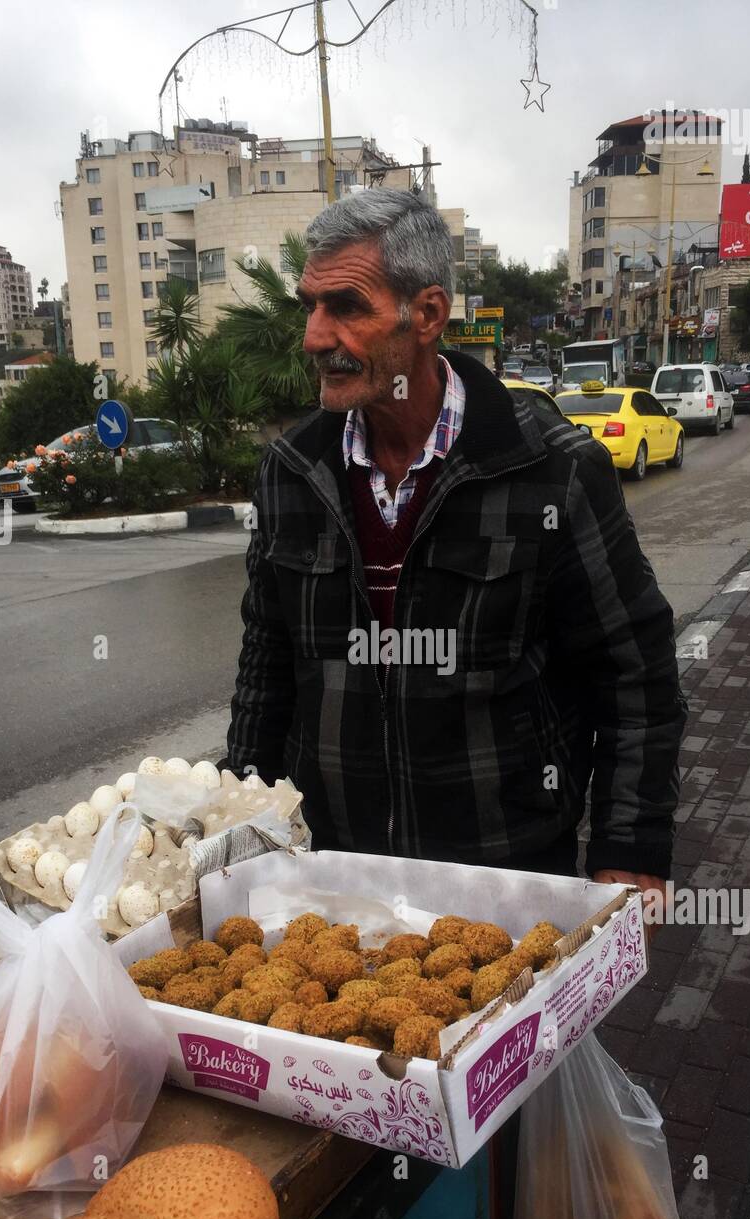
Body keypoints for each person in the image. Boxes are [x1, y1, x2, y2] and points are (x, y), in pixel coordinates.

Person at [221, 189, 686, 902]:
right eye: (309, 306)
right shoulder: (293, 473)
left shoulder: (550, 471)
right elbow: (267, 669)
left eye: (345, 306)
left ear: (429, 314)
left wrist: (631, 845)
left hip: (506, 883)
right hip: (332, 882)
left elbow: (635, 675)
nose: (315, 336)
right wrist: (237, 827)